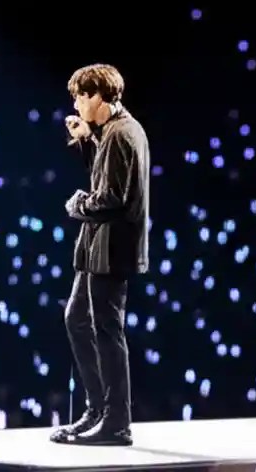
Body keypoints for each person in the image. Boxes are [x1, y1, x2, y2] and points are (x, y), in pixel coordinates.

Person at [50, 63, 151, 447]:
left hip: (112, 248)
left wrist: (78, 204)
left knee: (108, 331)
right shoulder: (110, 132)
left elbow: (112, 198)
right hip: (97, 248)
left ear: (98, 96)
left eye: (80, 96)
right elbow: (111, 178)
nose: (76, 104)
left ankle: (116, 422)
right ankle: (97, 410)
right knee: (77, 319)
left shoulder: (123, 135)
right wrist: (90, 138)